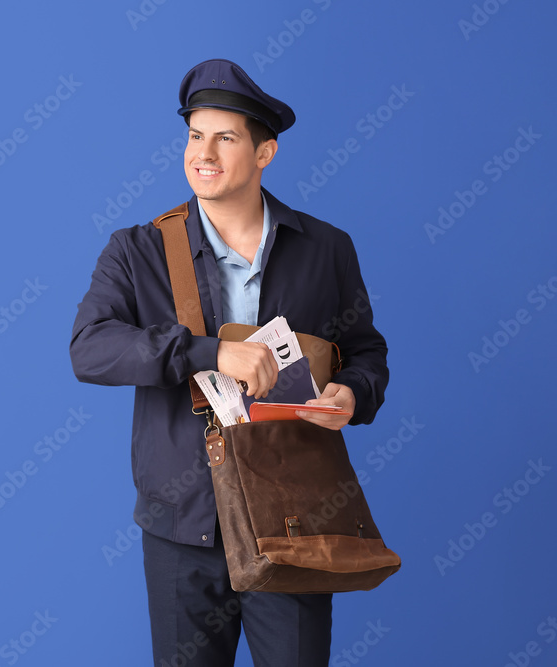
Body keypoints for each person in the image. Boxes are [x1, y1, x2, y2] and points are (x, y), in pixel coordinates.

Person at [69, 59, 389, 666]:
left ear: (265, 152)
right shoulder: (137, 250)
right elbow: (90, 348)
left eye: (225, 138)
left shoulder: (327, 249)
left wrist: (351, 392)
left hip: (295, 519)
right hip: (182, 527)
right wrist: (211, 351)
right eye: (195, 135)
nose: (203, 154)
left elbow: (366, 351)